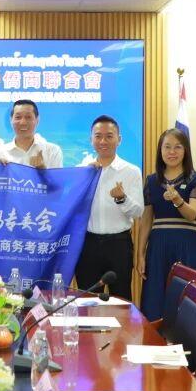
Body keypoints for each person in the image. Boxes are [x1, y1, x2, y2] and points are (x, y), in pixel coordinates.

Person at [136, 127, 196, 321]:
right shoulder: (152, 181)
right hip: (158, 248)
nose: (172, 152)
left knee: (189, 307)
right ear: (160, 150)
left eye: (177, 147)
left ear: (186, 150)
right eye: (167, 147)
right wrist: (140, 255)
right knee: (155, 303)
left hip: (188, 247)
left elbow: (192, 214)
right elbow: (146, 220)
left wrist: (177, 200)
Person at [77, 115, 144, 302]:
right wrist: (85, 178)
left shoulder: (131, 171)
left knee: (120, 300)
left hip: (119, 245)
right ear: (91, 139)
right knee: (86, 300)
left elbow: (138, 212)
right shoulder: (82, 170)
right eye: (98, 136)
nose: (103, 141)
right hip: (88, 244)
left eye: (109, 136)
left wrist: (122, 198)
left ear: (119, 139)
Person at [0, 99, 63, 168]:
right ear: (11, 120)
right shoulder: (0, 153)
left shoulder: (52, 151)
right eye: (18, 117)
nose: (23, 122)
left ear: (37, 120)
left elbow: (57, 175)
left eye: (28, 117)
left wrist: (42, 170)